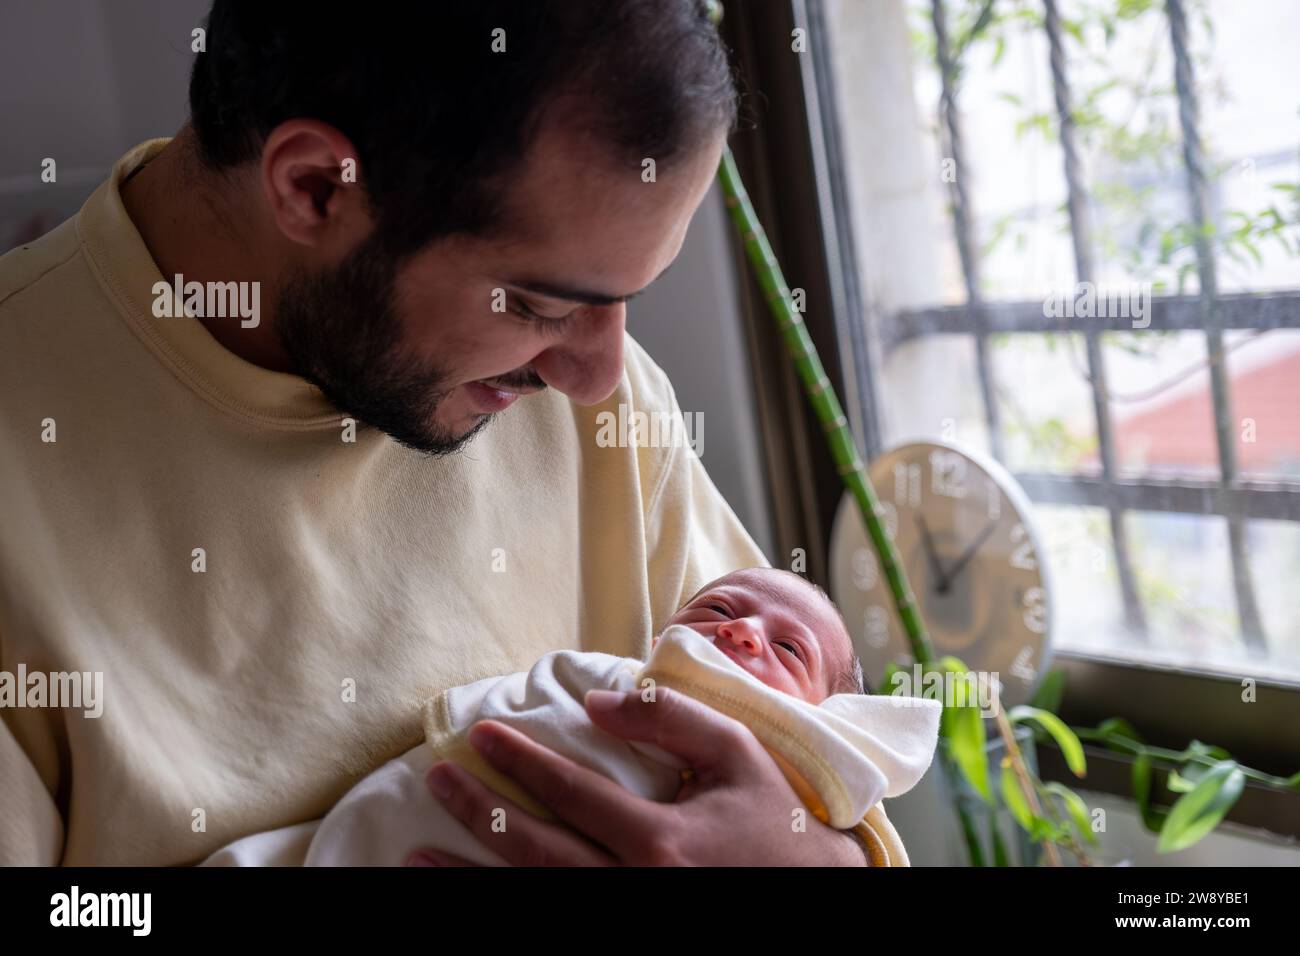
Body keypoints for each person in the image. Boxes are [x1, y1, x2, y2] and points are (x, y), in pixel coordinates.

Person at [0, 1, 871, 865]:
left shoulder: (605, 416)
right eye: (540, 304)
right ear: (314, 187)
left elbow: (817, 766)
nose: (601, 376)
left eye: (625, 296)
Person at [201, 568, 941, 866]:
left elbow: (851, 813)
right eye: (716, 609)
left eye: (787, 649)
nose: (744, 633)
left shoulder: (815, 768)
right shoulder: (615, 678)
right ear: (659, 639)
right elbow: (546, 689)